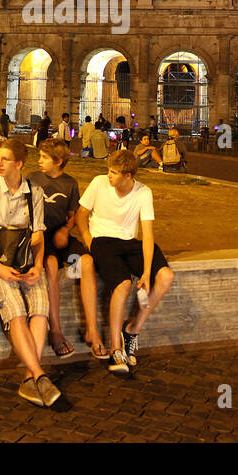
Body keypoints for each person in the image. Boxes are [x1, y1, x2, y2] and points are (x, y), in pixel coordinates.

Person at [0, 138, 61, 407]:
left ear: (19, 164)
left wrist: (37, 266)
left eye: (5, 159)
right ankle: (39, 374)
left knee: (40, 310)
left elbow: (38, 233)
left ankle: (28, 379)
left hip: (26, 262)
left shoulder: (33, 191)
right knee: (16, 311)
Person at [76, 150, 175, 374]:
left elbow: (148, 234)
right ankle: (116, 349)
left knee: (166, 276)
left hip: (129, 242)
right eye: (109, 171)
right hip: (102, 241)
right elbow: (81, 214)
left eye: (114, 173)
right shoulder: (99, 183)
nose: (108, 176)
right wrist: (89, 240)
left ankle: (132, 329)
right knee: (123, 285)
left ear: (128, 176)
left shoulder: (143, 192)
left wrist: (147, 272)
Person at [31, 138, 100, 358]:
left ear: (59, 161)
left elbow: (72, 216)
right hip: (41, 238)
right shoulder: (32, 179)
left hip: (60, 238)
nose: (39, 160)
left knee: (85, 262)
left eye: (44, 157)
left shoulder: (70, 184)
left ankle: (92, 330)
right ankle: (57, 332)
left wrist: (65, 230)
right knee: (51, 265)